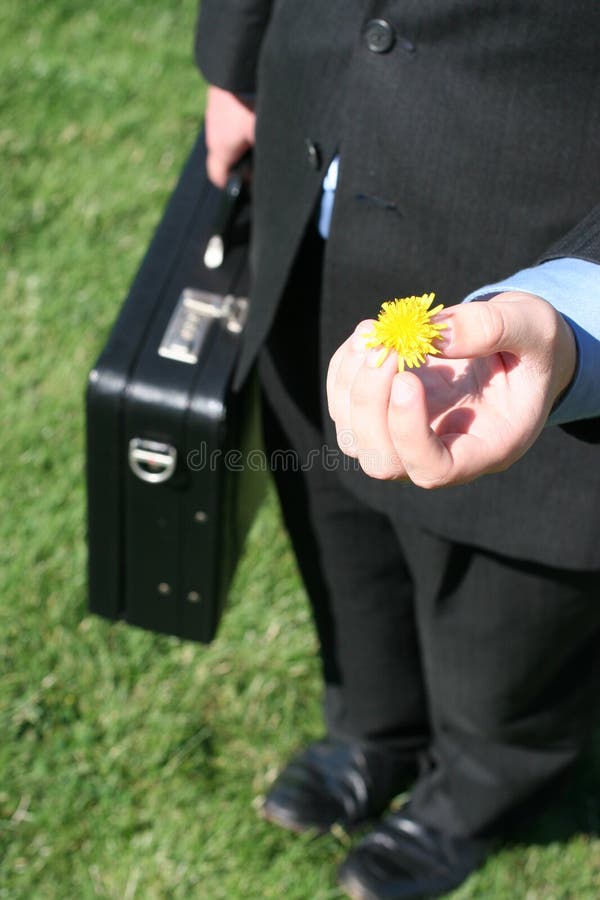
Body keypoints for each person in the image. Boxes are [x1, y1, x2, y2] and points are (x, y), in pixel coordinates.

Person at [195, 3, 600, 898]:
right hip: (310, 172)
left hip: (539, 235)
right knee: (331, 505)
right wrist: (234, 66)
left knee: (509, 602)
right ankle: (372, 729)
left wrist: (583, 307)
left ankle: (480, 787)